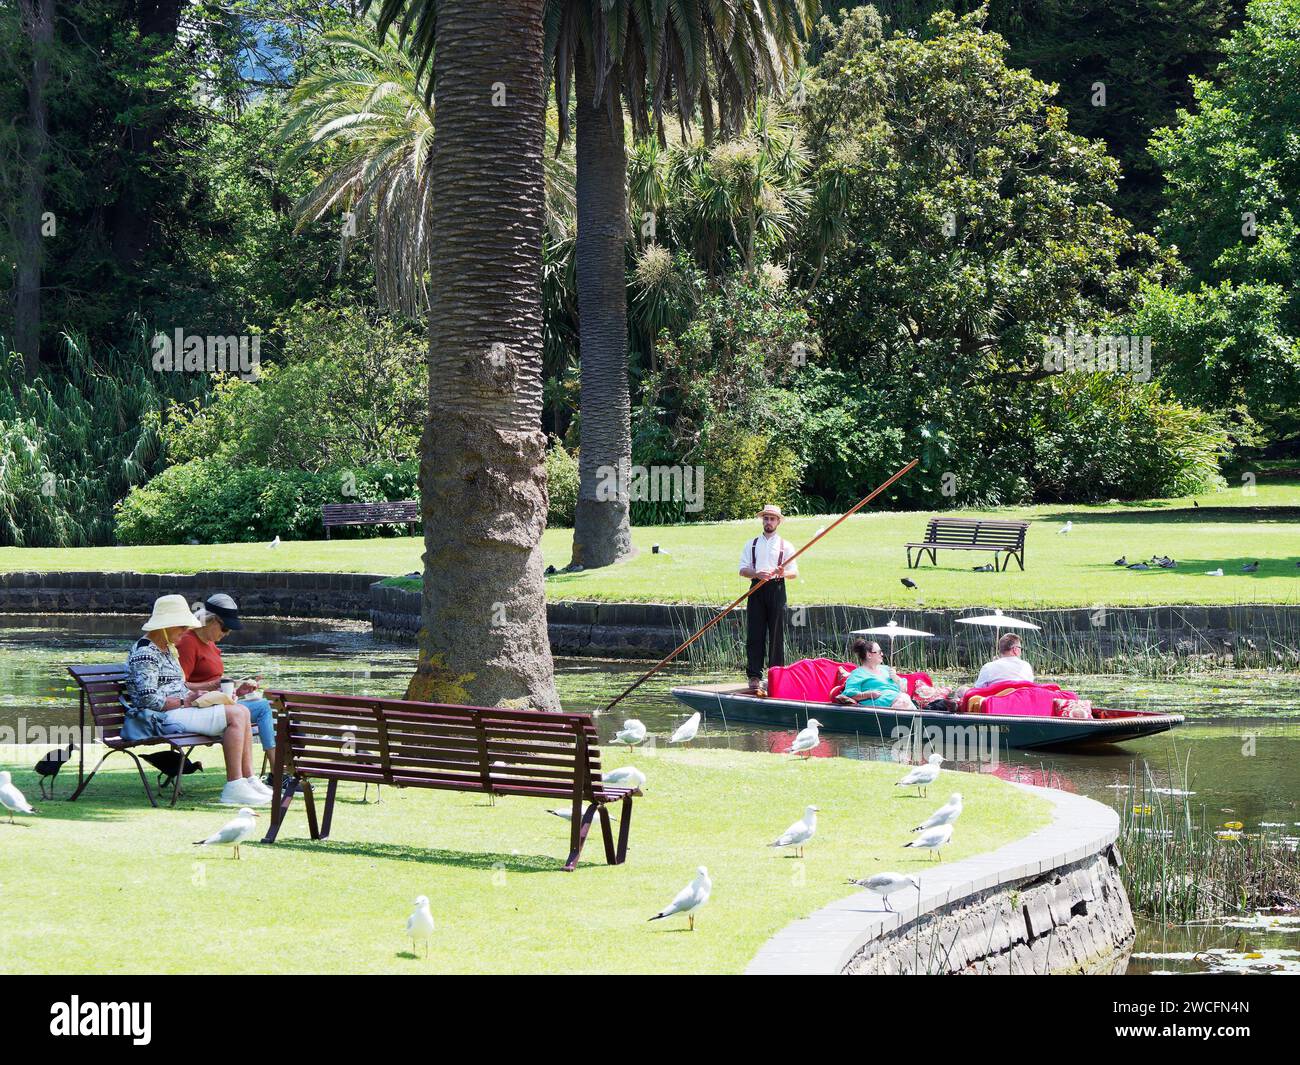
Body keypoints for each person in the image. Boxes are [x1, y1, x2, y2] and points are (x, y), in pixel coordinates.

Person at [125, 594, 270, 806]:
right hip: (161, 717)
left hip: (176, 711)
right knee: (237, 713)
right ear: (166, 625)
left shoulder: (164, 650)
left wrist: (207, 695)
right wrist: (187, 701)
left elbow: (178, 687)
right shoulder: (146, 653)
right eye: (181, 626)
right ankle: (234, 786)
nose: (185, 631)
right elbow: (149, 700)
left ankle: (247, 780)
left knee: (242, 710)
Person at [176, 594, 276, 784]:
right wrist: (212, 685)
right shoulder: (188, 642)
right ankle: (276, 774)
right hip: (198, 709)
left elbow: (217, 685)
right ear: (211, 621)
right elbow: (178, 686)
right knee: (262, 708)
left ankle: (272, 774)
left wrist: (238, 691)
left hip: (218, 705)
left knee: (267, 707)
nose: (227, 633)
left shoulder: (211, 644)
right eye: (225, 628)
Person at [738, 504, 798, 696]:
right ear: (762, 520)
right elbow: (742, 570)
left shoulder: (785, 545)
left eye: (772, 519)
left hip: (777, 588)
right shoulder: (752, 544)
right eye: (766, 518)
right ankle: (754, 675)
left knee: (777, 634)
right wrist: (756, 573)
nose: (769, 522)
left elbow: (794, 573)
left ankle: (775, 675)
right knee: (755, 633)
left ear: (778, 522)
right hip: (756, 587)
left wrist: (783, 572)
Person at [835, 638, 916, 709]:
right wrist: (867, 694)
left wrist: (896, 678)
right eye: (879, 652)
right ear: (869, 655)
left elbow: (904, 690)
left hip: (899, 699)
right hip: (877, 704)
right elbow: (849, 693)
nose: (882, 654)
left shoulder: (887, 669)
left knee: (904, 700)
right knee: (904, 701)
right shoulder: (857, 674)